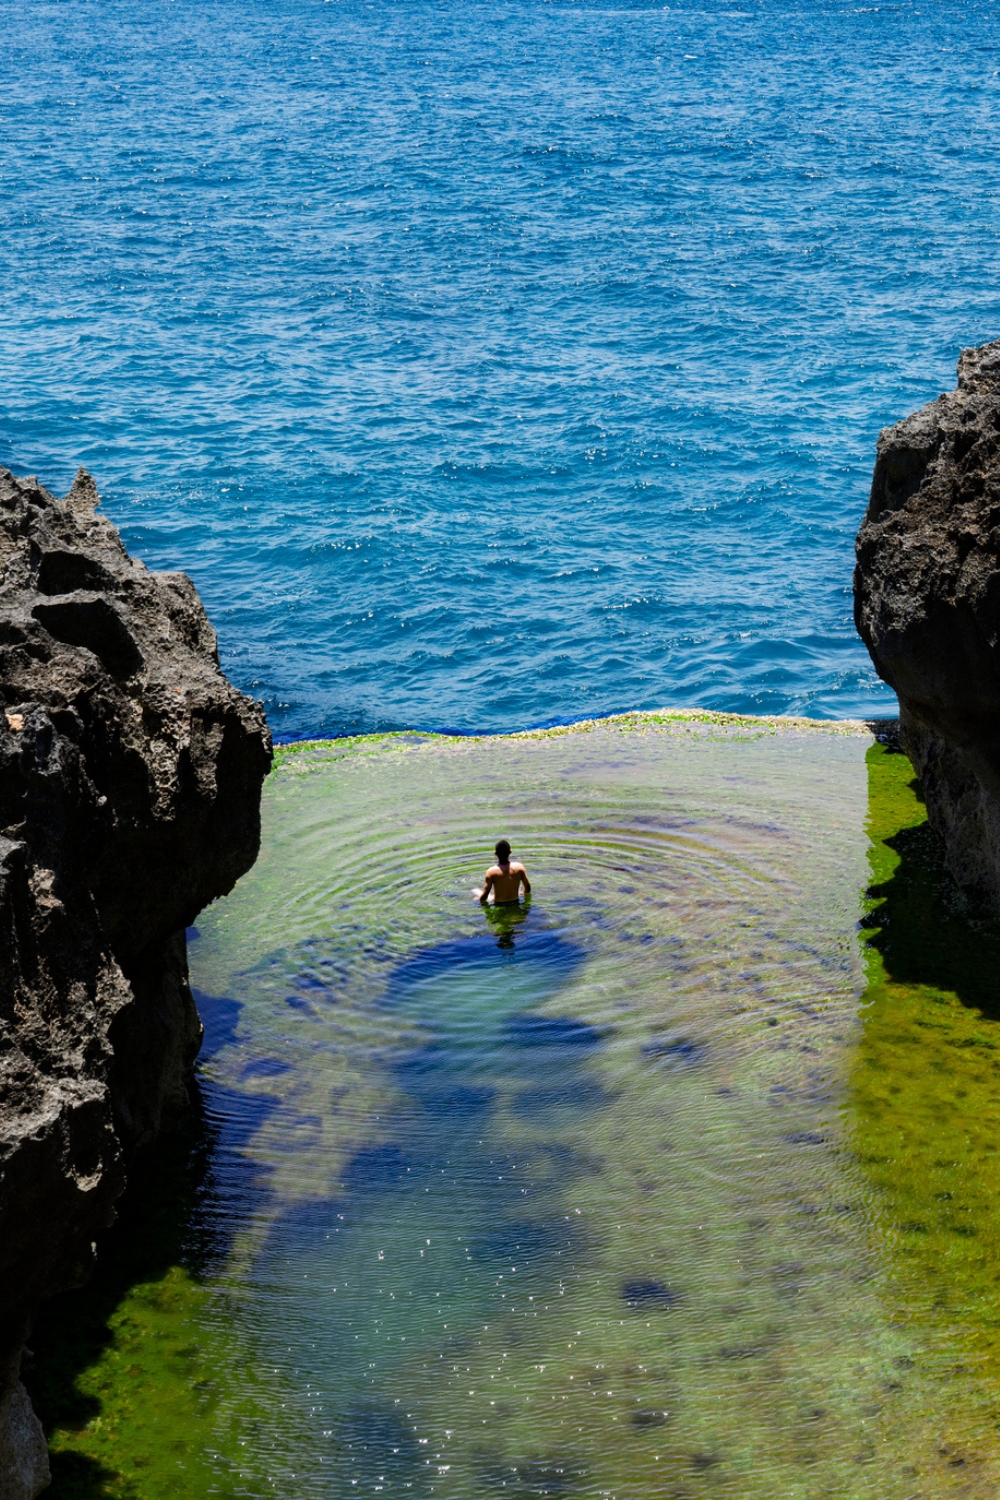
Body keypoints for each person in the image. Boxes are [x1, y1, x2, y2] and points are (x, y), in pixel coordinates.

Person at [475, 839, 531, 905]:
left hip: (499, 904)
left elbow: (485, 894)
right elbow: (528, 888)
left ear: (495, 853)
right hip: (515, 901)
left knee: (475, 890)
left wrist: (479, 900)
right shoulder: (519, 867)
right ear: (510, 852)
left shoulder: (491, 872)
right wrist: (522, 894)